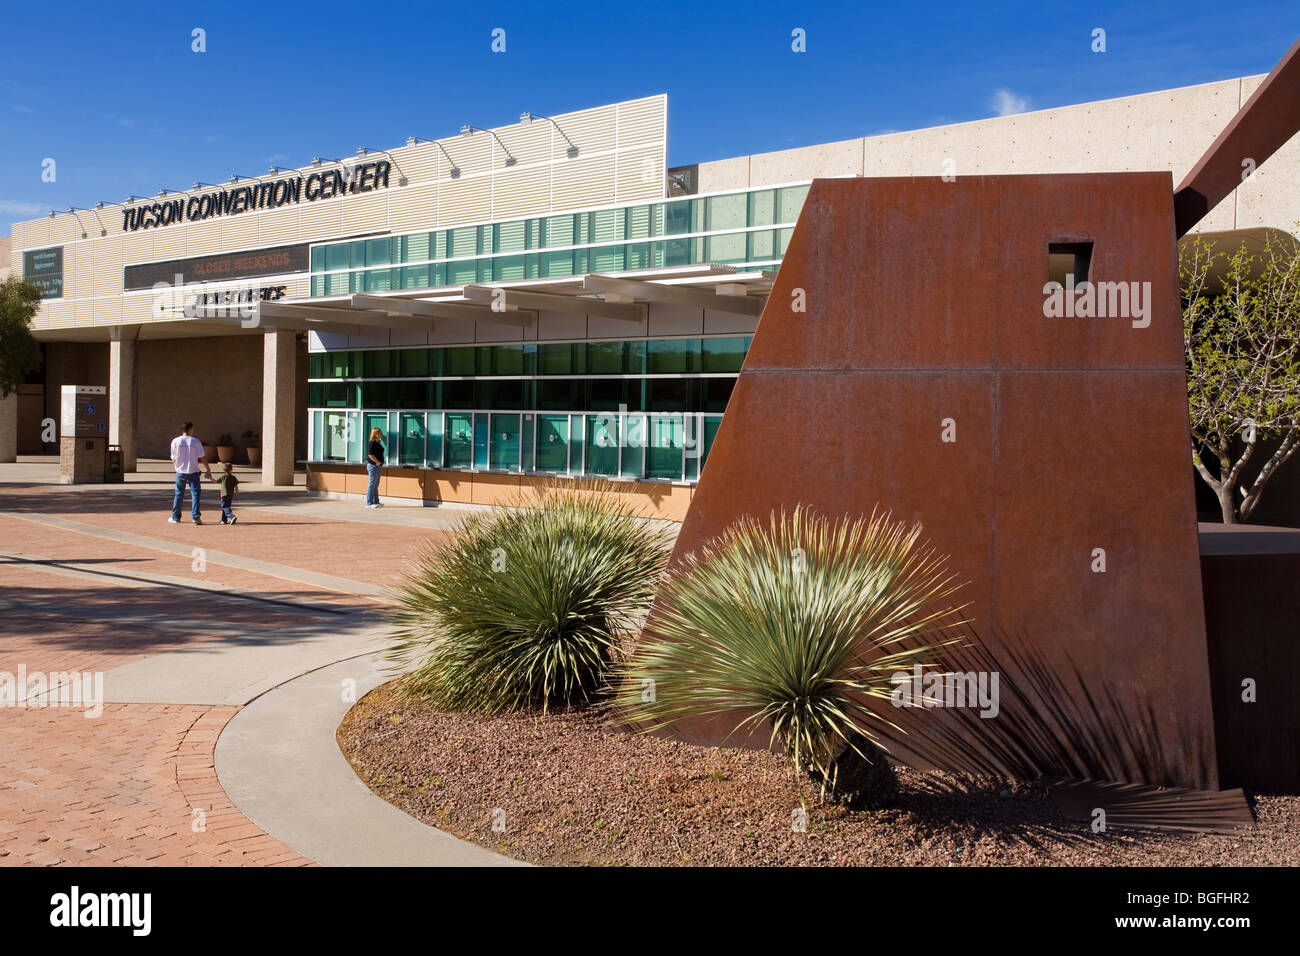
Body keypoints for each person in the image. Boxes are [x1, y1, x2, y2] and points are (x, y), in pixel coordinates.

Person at [169, 422, 213, 524]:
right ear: (190, 429)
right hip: (193, 471)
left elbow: (173, 457)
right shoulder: (195, 441)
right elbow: (202, 457)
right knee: (196, 494)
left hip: (180, 472)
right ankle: (196, 516)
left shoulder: (175, 441)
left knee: (179, 494)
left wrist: (176, 468)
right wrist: (208, 469)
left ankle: (175, 517)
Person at [365, 427, 385, 509]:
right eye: (380, 433)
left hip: (378, 466)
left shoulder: (377, 442)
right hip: (373, 466)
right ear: (376, 434)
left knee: (376, 484)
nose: (381, 435)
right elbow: (370, 455)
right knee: (372, 484)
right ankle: (368, 503)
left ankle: (375, 501)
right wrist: (377, 462)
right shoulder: (372, 443)